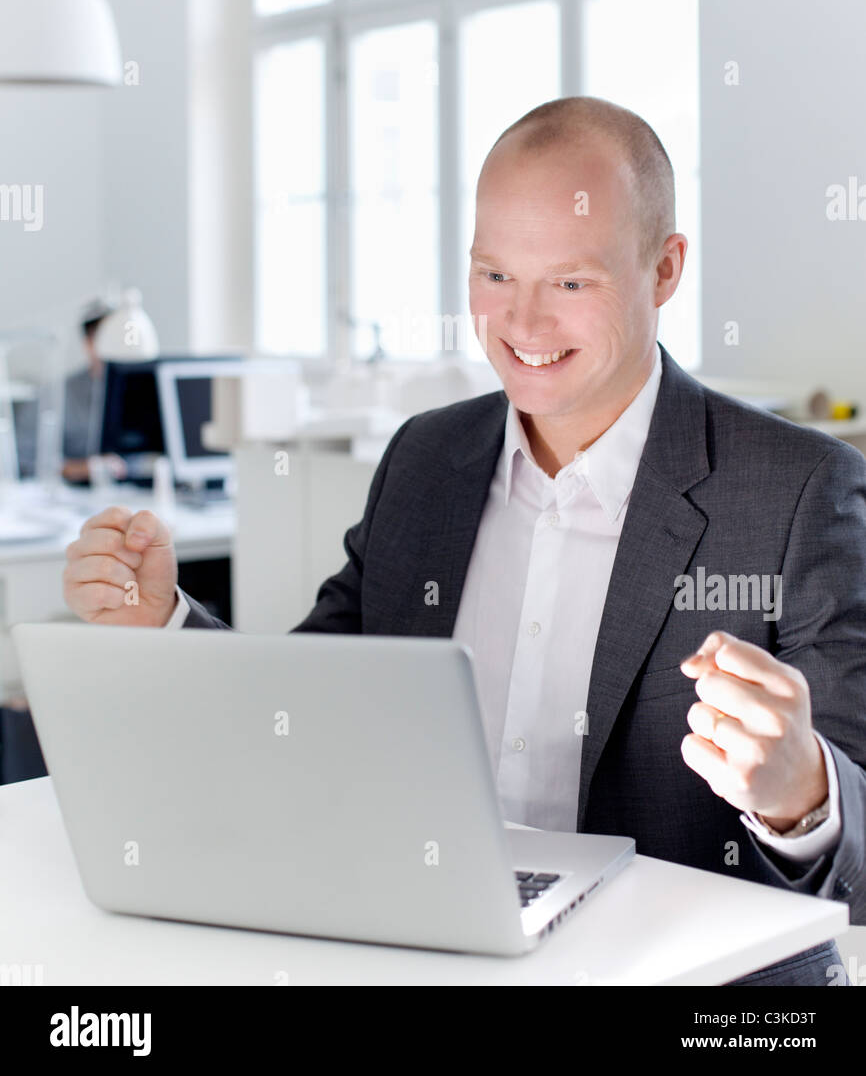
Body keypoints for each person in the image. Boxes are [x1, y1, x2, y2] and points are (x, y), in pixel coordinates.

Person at [62, 96, 866, 986]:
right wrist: (165, 625)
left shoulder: (798, 490)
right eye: (493, 276)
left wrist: (803, 793)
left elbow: (858, 850)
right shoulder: (426, 460)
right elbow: (301, 713)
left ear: (665, 268)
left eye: (570, 282)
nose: (521, 324)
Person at [60, 302, 127, 485]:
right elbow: (29, 461)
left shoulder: (140, 389)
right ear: (89, 343)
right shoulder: (61, 393)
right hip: (78, 492)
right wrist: (87, 468)